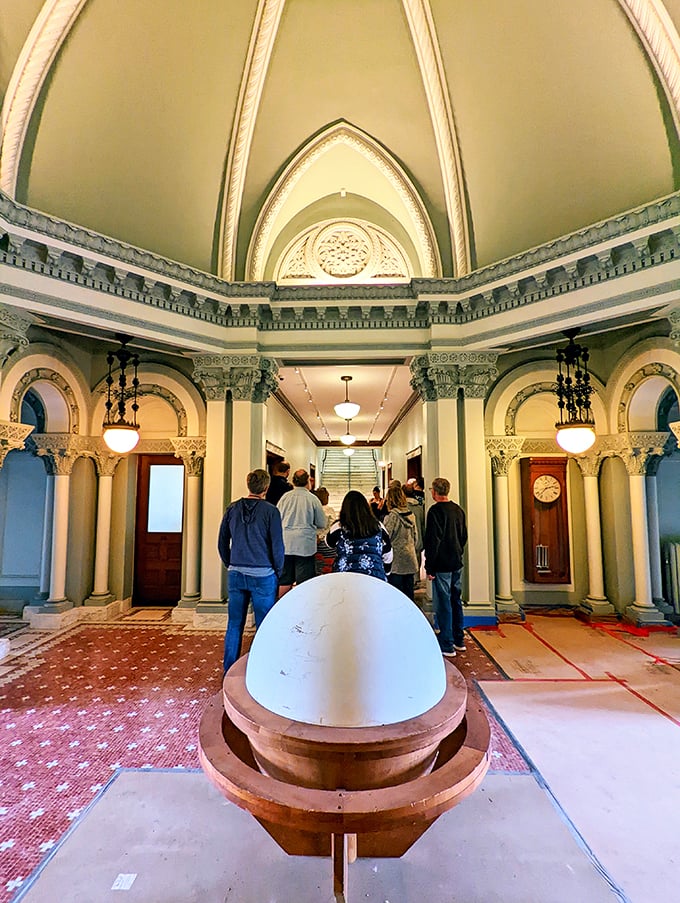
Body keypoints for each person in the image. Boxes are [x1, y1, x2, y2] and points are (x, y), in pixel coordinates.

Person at [217, 469, 284, 675]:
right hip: (263, 574)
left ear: (249, 485)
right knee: (264, 624)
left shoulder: (232, 508)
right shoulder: (271, 511)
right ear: (266, 487)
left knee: (235, 623)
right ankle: (263, 667)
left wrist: (231, 563)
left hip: (236, 573)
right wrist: (278, 571)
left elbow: (222, 541)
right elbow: (277, 546)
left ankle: (229, 667)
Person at [424, 476, 468, 658]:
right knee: (456, 600)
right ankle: (459, 639)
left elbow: (432, 541)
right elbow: (464, 536)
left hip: (441, 564)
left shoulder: (435, 512)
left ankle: (447, 643)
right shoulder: (458, 510)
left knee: (443, 602)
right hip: (456, 561)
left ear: (435, 492)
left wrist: (429, 567)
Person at [277, 469, 327, 596]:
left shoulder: (285, 497)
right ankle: (301, 607)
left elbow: (277, 518)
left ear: (293, 481)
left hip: (285, 542)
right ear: (308, 481)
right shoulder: (312, 499)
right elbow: (322, 523)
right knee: (303, 581)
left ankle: (282, 606)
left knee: (285, 580)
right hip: (305, 544)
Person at [326, 490, 393, 580]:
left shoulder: (338, 527)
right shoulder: (379, 527)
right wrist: (386, 572)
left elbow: (328, 542)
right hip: (374, 578)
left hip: (344, 578)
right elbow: (388, 554)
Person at [383, 484, 419, 600]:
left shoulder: (392, 516)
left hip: (396, 561)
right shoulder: (411, 515)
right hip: (410, 558)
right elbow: (415, 537)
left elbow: (386, 538)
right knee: (409, 594)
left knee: (396, 594)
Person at [313, 486, 337, 575]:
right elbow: (332, 526)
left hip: (315, 542)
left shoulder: (313, 509)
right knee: (328, 565)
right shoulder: (329, 510)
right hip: (327, 543)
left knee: (318, 566)